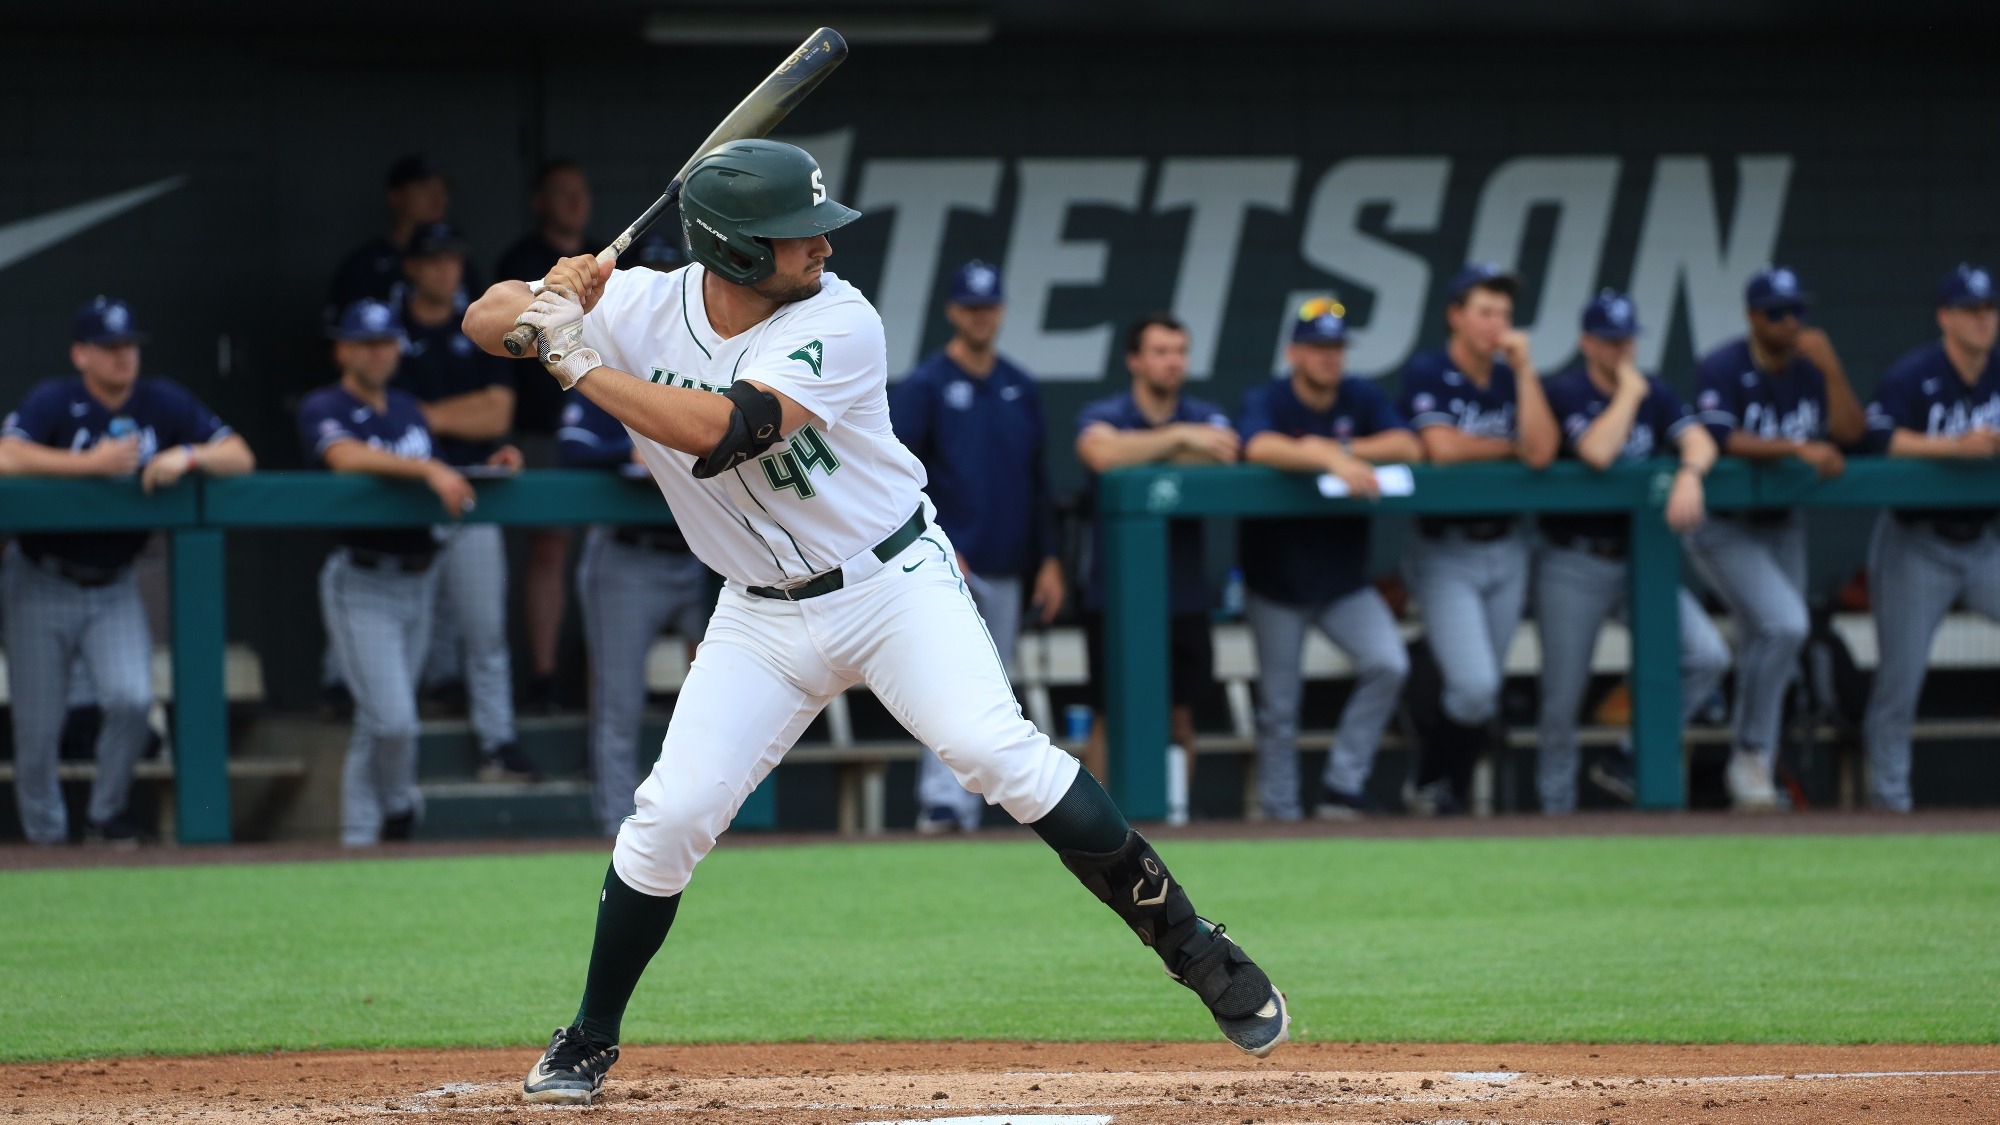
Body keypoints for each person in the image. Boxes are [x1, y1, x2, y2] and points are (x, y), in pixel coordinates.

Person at [465, 139, 1289, 1104]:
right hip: (759, 616)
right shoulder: (638, 304)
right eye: (795, 234)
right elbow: (486, 315)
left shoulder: (841, 317)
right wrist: (551, 298)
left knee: (997, 753)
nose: (821, 244)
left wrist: (569, 354)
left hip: (891, 584)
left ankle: (1193, 945)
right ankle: (589, 1034)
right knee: (670, 817)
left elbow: (721, 432)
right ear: (734, 250)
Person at [0, 296, 254, 845]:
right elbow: (5, 455)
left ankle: (103, 817)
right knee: (38, 728)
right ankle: (45, 840)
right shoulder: (55, 400)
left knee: (132, 699)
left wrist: (187, 457)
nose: (123, 358)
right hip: (40, 579)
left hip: (114, 582)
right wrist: (85, 466)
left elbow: (239, 455)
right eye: (109, 348)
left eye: (129, 347)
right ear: (81, 354)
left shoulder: (161, 401)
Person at [1533, 291, 1731, 813]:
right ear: (1587, 342)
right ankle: (1554, 809)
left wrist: (1689, 472)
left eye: (1627, 338)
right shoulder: (1566, 391)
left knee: (1706, 655)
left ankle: (1629, 757)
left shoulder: (1657, 393)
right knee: (1562, 695)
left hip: (1639, 561)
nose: (1622, 349)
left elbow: (1702, 441)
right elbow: (1597, 452)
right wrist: (1626, 395)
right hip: (1574, 558)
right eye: (1610, 340)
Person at [890, 260, 1065, 833]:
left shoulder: (1020, 385)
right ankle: (943, 802)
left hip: (1010, 562)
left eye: (988, 307)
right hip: (944, 565)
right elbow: (895, 474)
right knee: (946, 684)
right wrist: (934, 542)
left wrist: (1051, 560)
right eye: (970, 307)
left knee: (992, 688)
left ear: (1002, 311)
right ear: (952, 312)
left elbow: (1040, 481)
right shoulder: (927, 385)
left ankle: (973, 804)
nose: (980, 317)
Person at [300, 298, 478, 846]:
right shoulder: (323, 403)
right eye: (367, 344)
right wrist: (424, 467)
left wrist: (484, 466)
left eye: (386, 343)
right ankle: (400, 807)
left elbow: (439, 467)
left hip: (418, 577)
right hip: (363, 578)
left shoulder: (405, 407)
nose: (379, 353)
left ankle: (360, 839)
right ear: (344, 349)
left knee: (374, 722)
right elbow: (342, 456)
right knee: (395, 720)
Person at [1236, 298, 1421, 820]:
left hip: (1344, 581)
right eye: (1318, 347)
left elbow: (1407, 443)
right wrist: (1324, 454)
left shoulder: (1359, 396)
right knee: (1279, 708)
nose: (1328, 358)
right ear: (1295, 352)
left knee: (1389, 661)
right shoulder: (1269, 397)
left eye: (1336, 347)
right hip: (1277, 580)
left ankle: (1343, 784)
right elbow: (1257, 446)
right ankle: (1281, 814)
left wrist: (1346, 447)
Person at [1394, 263, 1559, 813]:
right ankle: (1436, 783)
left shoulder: (1515, 376)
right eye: (1485, 312)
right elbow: (1442, 447)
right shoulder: (1429, 369)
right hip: (1445, 547)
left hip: (1508, 545)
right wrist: (1505, 448)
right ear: (1456, 315)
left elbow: (1539, 451)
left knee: (1479, 690)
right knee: (1474, 685)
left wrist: (1527, 369)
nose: (1497, 324)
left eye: (1505, 314)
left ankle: (1441, 791)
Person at [1686, 266, 1846, 810]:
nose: (1789, 323)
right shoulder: (1724, 363)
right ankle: (1751, 753)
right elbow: (1717, 435)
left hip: (1783, 524)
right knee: (1786, 625)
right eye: (1777, 313)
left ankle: (1756, 772)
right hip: (1724, 524)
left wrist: (1831, 368)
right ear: (1753, 317)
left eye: (1795, 311)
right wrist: (1794, 449)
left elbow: (1850, 433)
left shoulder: (1810, 369)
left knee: (1768, 638)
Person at [394, 221, 539, 783]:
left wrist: (421, 415)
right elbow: (380, 413)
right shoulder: (390, 330)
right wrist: (448, 414)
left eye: (453, 259)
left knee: (484, 631)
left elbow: (497, 414)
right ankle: (400, 762)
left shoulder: (478, 325)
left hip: (473, 485)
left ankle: (497, 742)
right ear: (411, 266)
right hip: (402, 495)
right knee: (404, 637)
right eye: (433, 259)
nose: (445, 269)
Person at [1859, 263, 2000, 812]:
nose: (1983, 319)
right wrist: (1953, 449)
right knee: (1901, 678)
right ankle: (1889, 802)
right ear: (1945, 317)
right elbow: (1873, 439)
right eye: (1970, 310)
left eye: (1989, 309)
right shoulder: (1913, 374)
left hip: (1986, 541)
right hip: (1918, 542)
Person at [1074, 314, 1237, 784]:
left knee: (1182, 717)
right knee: (1110, 712)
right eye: (1161, 352)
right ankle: (1101, 831)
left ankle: (1176, 823)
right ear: (1135, 360)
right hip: (1116, 595)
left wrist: (1142, 449)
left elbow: (1224, 454)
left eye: (1180, 352)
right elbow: (1100, 453)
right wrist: (1180, 439)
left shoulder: (1206, 414)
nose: (1173, 362)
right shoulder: (1108, 412)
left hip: (1184, 595)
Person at [559, 391, 715, 836]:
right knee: (618, 702)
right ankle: (615, 827)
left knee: (725, 693)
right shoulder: (609, 373)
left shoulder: (694, 368)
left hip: (702, 556)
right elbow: (571, 449)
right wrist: (629, 451)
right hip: (627, 555)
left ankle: (706, 820)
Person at [496, 160, 604, 712]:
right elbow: (485, 324)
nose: (574, 204)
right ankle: (541, 673)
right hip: (538, 427)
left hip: (601, 421)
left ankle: (586, 681)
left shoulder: (600, 262)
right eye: (562, 193)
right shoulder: (523, 261)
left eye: (580, 193)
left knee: (599, 555)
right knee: (547, 550)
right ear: (540, 201)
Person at [326, 155, 451, 323]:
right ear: (396, 196)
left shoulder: (459, 264)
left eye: (442, 190)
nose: (437, 199)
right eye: (424, 188)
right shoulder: (364, 267)